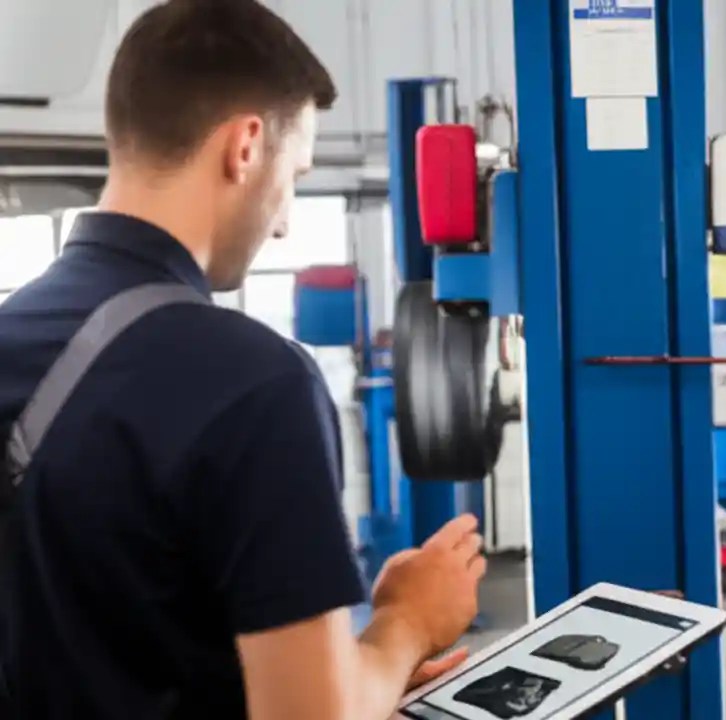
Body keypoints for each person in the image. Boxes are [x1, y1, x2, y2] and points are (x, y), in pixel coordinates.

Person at [0, 1, 485, 718]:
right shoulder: (255, 383)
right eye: (295, 174)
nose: (285, 219)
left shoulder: (13, 335)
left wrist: (352, 676)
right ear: (247, 147)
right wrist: (407, 621)